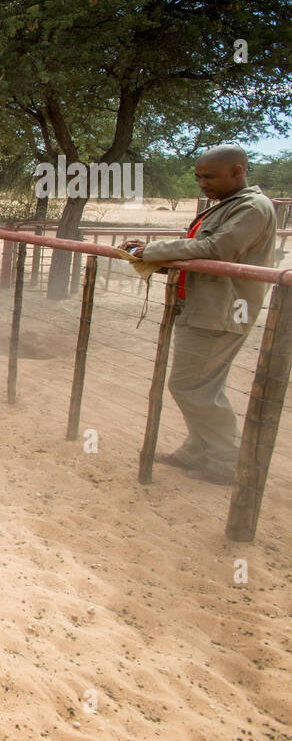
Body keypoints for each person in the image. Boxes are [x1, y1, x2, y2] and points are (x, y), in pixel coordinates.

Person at [119, 144, 276, 485]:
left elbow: (217, 249)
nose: (202, 184)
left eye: (210, 177)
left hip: (221, 310)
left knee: (191, 386)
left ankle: (225, 461)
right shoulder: (226, 206)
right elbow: (200, 253)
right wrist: (156, 257)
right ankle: (198, 449)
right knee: (202, 385)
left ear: (238, 171)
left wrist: (153, 251)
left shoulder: (252, 207)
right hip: (202, 305)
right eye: (198, 177)